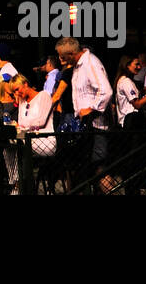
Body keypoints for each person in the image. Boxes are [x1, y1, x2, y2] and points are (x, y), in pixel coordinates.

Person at [56, 37, 112, 184]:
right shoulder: (77, 67)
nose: (61, 59)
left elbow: (106, 91)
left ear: (72, 53)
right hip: (84, 127)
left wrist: (91, 109)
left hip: (96, 127)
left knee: (99, 167)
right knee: (85, 171)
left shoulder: (90, 62)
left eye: (62, 56)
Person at [113, 55, 146, 194]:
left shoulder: (125, 81)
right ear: (127, 65)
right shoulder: (126, 82)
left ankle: (134, 187)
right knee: (135, 160)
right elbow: (136, 104)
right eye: (136, 64)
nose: (139, 67)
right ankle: (133, 188)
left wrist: (143, 92)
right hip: (132, 125)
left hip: (129, 124)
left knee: (133, 161)